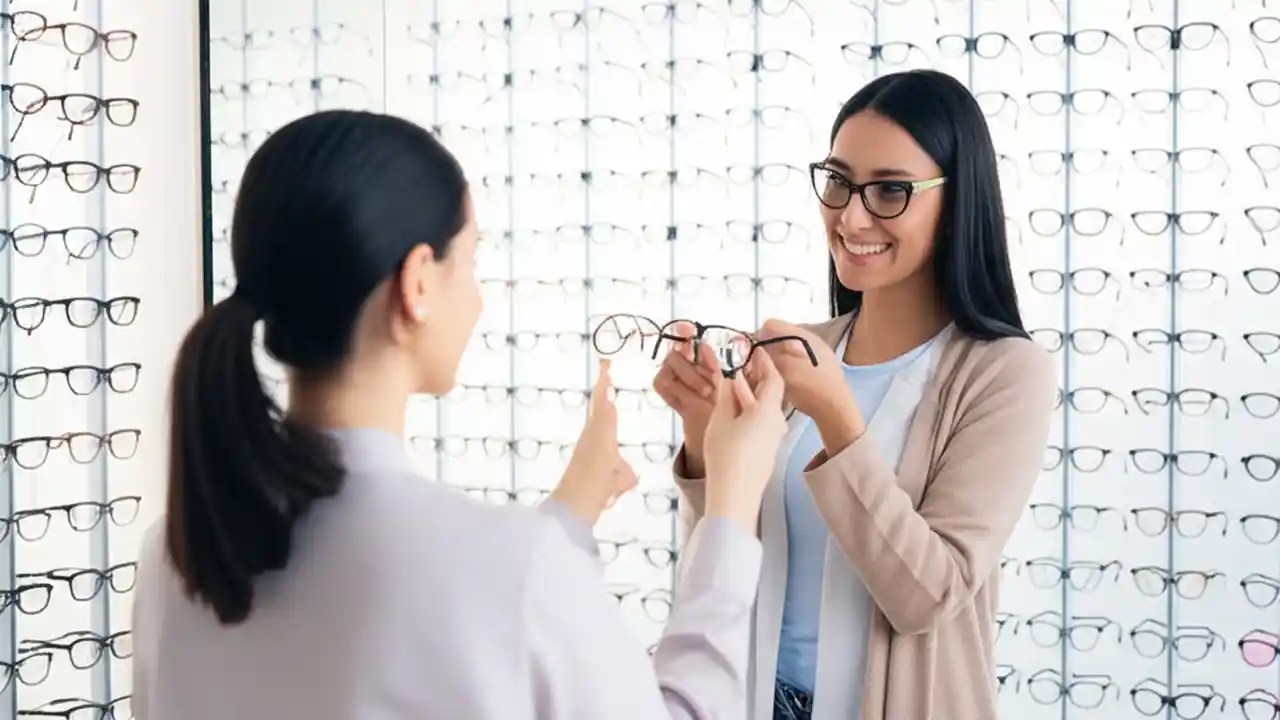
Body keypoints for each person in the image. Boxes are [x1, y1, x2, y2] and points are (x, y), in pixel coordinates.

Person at [130, 109, 791, 719]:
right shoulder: (512, 569)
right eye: (469, 261)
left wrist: (572, 510)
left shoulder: (174, 557)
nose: (476, 300)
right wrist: (732, 504)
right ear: (417, 283)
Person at [653, 69, 1057, 720]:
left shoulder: (1004, 373)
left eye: (890, 191)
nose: (851, 215)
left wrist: (839, 419)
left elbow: (930, 595)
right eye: (839, 182)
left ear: (956, 203)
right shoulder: (796, 355)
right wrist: (705, 444)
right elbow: (724, 558)